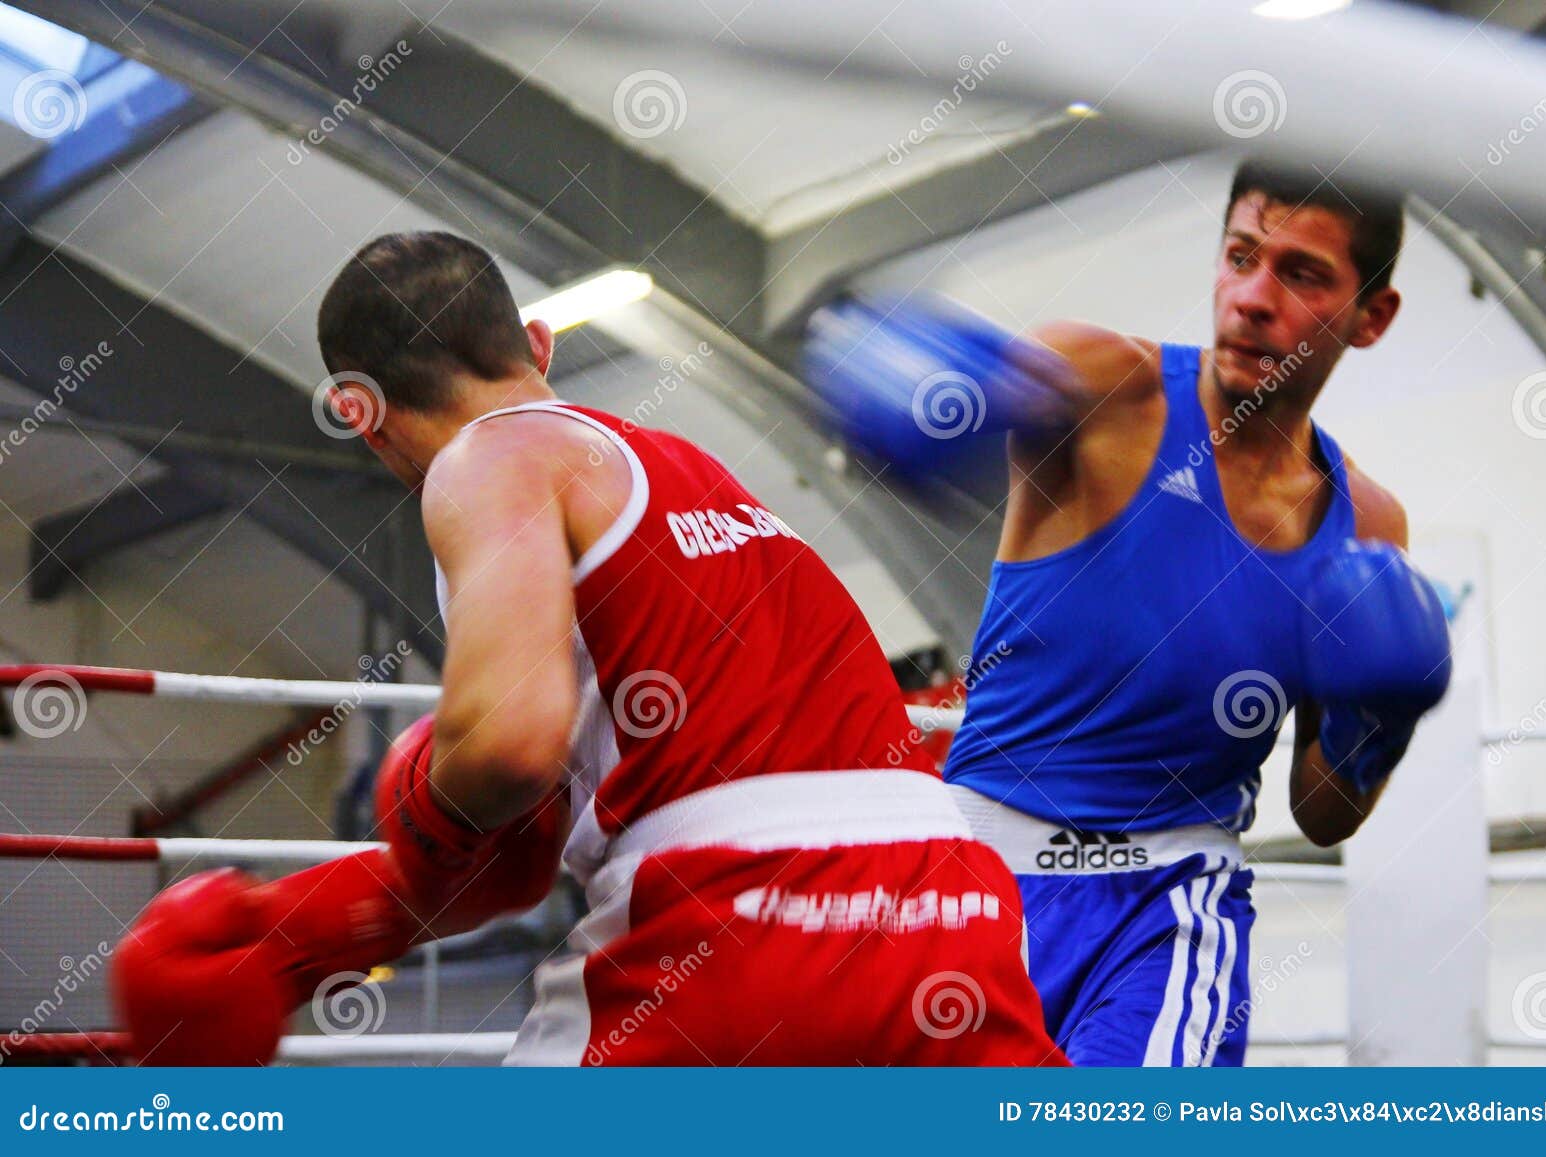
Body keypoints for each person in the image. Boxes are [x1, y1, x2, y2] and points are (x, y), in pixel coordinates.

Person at [112, 231, 1064, 1067]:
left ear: (358, 410)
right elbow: (545, 832)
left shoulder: (488, 457)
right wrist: (301, 931)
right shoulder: (695, 471)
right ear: (539, 342)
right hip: (951, 914)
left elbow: (511, 744)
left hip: (739, 914)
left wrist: (434, 810)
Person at [803, 160, 1452, 1066]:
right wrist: (929, 382)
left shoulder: (1365, 526)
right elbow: (972, 390)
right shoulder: (1104, 388)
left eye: (1302, 274)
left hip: (1168, 904)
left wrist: (1375, 728)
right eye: (1241, 256)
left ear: (1370, 315)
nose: (1253, 299)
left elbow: (1324, 815)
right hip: (976, 876)